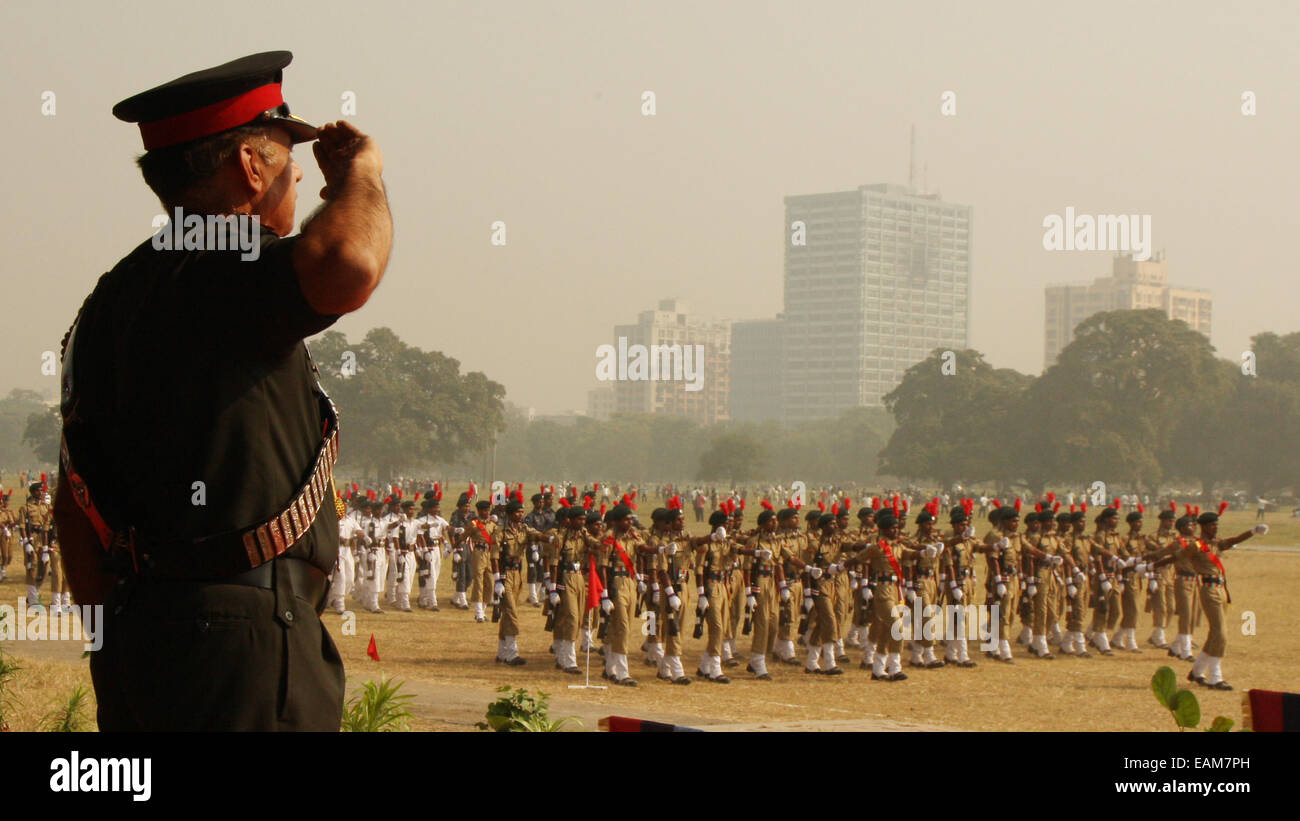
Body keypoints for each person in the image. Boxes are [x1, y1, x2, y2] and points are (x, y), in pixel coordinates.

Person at [54, 51, 392, 731]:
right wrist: (364, 176)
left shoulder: (111, 300)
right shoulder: (223, 265)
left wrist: (117, 642)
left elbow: (75, 506)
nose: (299, 171)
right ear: (249, 167)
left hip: (148, 637)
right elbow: (348, 262)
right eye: (286, 154)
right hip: (245, 650)